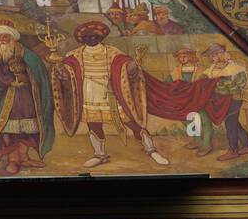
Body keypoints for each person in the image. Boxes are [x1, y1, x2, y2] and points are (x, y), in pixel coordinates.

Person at [58, 22, 169, 166]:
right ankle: (100, 155)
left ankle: (151, 150)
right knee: (94, 124)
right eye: (87, 37)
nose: (91, 39)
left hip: (111, 93)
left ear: (100, 37)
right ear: (82, 39)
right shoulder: (75, 55)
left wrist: (136, 61)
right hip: (88, 93)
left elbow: (126, 68)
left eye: (94, 36)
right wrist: (60, 70)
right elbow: (66, 74)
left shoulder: (112, 52)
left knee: (131, 121)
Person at [0, 21, 54, 174]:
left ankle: (24, 157)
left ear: (13, 37)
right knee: (9, 132)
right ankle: (13, 160)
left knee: (28, 130)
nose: (4, 39)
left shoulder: (25, 52)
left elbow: (38, 72)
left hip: (26, 99)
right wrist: (6, 83)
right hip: (2, 102)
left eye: (7, 36)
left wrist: (28, 78)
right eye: (1, 36)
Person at [200, 44, 248, 161]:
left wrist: (222, 82)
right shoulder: (213, 68)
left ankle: (233, 150)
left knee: (230, 123)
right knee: (234, 122)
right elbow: (204, 78)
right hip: (220, 100)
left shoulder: (235, 68)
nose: (211, 58)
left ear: (221, 54)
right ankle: (247, 146)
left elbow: (241, 83)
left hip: (234, 99)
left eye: (214, 55)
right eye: (211, 56)